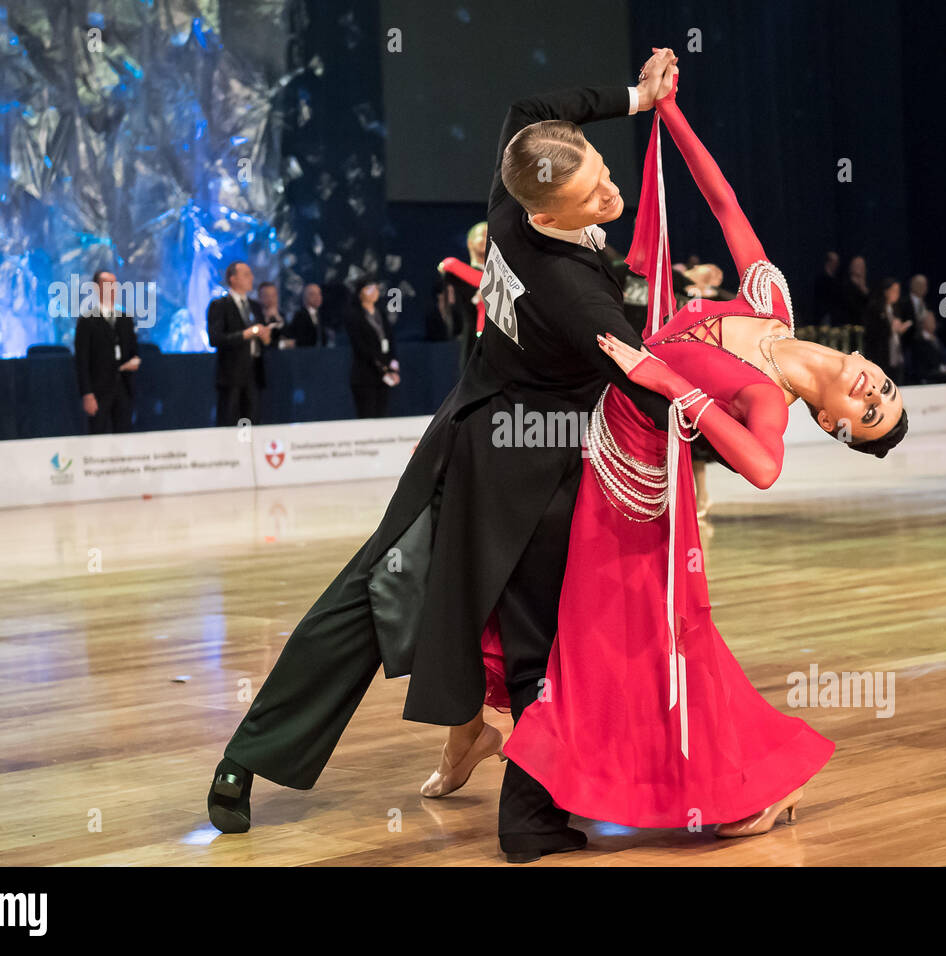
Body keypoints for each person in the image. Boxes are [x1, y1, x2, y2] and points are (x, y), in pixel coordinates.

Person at [207, 50, 686, 863]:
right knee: (467, 623)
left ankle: (264, 760)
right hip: (525, 472)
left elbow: (533, 98)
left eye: (602, 170)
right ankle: (523, 820)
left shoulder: (512, 187)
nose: (610, 191)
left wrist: (637, 97)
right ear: (550, 213)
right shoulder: (578, 296)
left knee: (382, 593)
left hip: (466, 429)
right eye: (589, 196)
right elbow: (650, 383)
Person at [423, 69, 907, 838]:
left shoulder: (771, 404)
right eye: (885, 390)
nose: (871, 389)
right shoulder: (772, 299)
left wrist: (674, 389)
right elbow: (723, 202)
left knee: (625, 640)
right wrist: (668, 110)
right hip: (596, 420)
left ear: (834, 420)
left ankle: (734, 785)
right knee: (515, 593)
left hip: (634, 476)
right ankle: (476, 740)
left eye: (868, 412)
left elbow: (761, 466)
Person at [74, 269, 141, 434]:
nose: (112, 288)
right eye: (107, 284)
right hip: (99, 389)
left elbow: (134, 349)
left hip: (123, 387)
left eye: (114, 284)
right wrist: (87, 394)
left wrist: (135, 361)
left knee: (124, 433)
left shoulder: (125, 319)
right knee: (98, 433)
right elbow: (82, 361)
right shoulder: (87, 321)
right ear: (97, 288)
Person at [207, 262, 270, 426]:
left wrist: (265, 337)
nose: (251, 278)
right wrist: (246, 334)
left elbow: (265, 341)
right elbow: (215, 339)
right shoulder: (219, 306)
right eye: (246, 274)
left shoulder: (255, 307)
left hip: (254, 373)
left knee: (252, 422)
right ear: (233, 279)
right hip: (231, 375)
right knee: (230, 421)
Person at [343, 277, 399, 418]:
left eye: (375, 288)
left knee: (382, 413)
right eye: (369, 288)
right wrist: (382, 367)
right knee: (367, 414)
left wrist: (392, 366)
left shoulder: (381, 314)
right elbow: (361, 346)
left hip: (384, 377)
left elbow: (390, 340)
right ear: (359, 293)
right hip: (365, 376)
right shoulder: (354, 316)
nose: (374, 291)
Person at [436, 222, 487, 367]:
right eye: (483, 235)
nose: (488, 238)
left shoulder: (504, 276)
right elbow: (448, 264)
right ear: (470, 243)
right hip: (472, 342)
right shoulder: (455, 275)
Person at [862, 277, 909, 384]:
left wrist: (899, 329)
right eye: (894, 291)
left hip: (895, 352)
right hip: (881, 354)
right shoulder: (875, 309)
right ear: (886, 291)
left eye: (898, 291)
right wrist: (891, 329)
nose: (897, 294)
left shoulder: (895, 309)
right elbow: (872, 332)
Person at [286, 283, 333, 348]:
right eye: (313, 294)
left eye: (319, 293)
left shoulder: (324, 315)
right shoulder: (299, 316)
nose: (317, 297)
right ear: (304, 297)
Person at [813, 250, 841, 326]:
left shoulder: (838, 280)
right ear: (828, 262)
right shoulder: (820, 280)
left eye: (837, 262)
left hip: (836, 318)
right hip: (824, 317)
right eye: (834, 262)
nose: (836, 264)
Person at [256, 281, 287, 348]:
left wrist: (277, 317)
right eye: (266, 296)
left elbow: (287, 336)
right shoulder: (255, 316)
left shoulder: (281, 316)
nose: (271, 299)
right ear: (259, 297)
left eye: (274, 295)